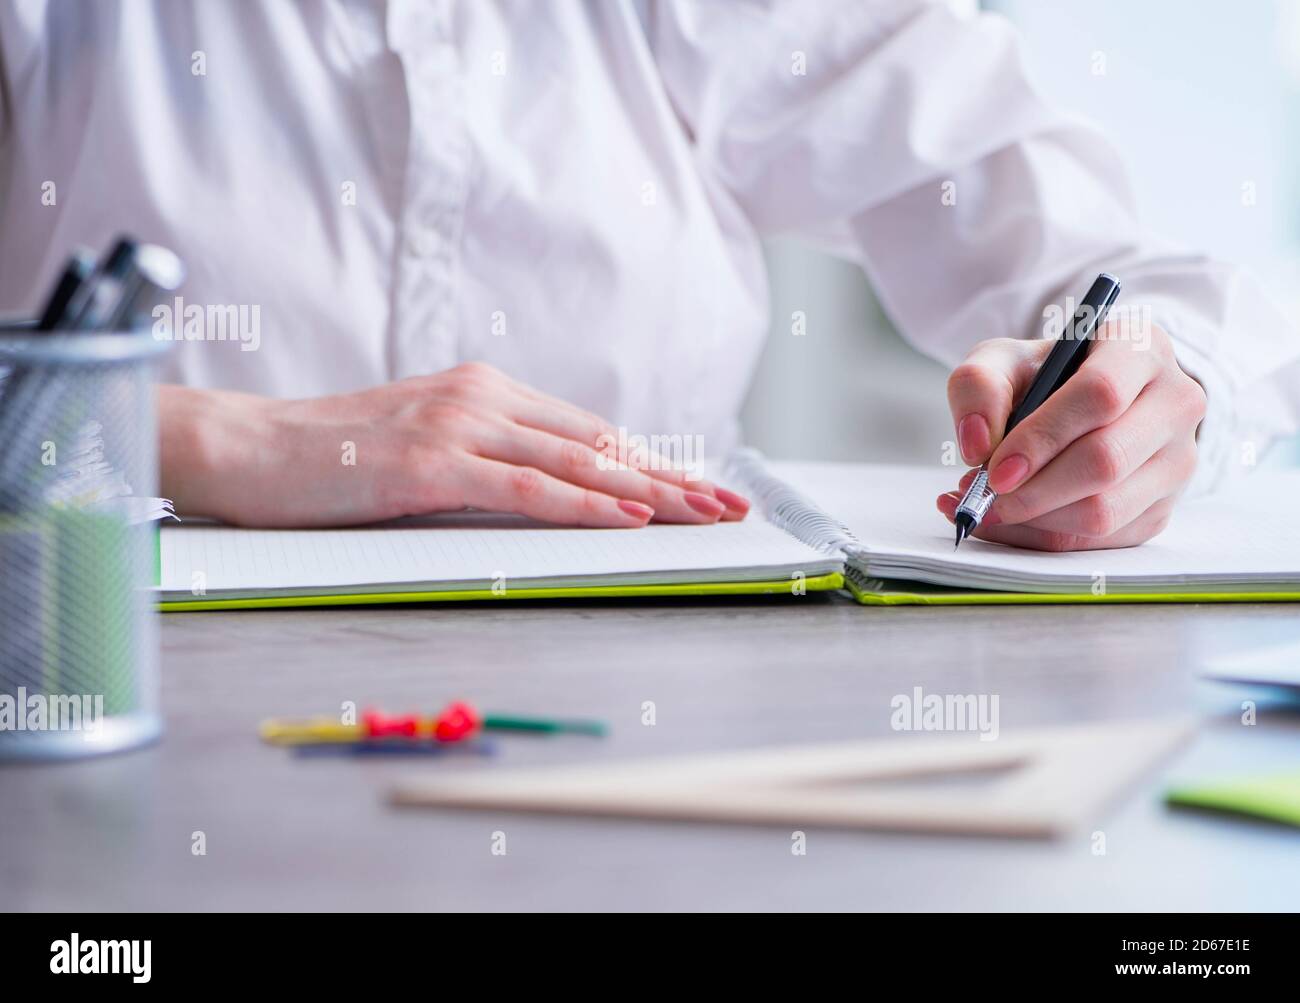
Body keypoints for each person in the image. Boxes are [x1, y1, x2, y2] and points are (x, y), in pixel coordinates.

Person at [1, 1, 1295, 548]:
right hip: (123, 685)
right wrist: (184, 433)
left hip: (670, 727)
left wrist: (1154, 391)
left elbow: (1118, 275)